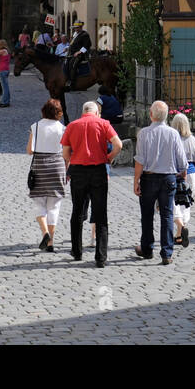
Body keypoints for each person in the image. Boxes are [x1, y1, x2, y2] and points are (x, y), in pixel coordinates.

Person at [60, 100, 122, 267]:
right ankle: (101, 257)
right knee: (101, 213)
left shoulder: (72, 125)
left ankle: (77, 251)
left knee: (77, 211)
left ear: (83, 112)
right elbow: (118, 144)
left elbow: (65, 152)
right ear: (96, 113)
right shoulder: (103, 123)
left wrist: (73, 160)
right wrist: (108, 158)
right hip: (98, 170)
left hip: (78, 171)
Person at [133, 100, 188, 265]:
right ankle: (166, 253)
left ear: (151, 114)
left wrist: (136, 180)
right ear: (166, 116)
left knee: (147, 215)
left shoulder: (143, 133)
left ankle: (147, 249)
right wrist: (182, 175)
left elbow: (140, 160)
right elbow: (182, 161)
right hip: (168, 178)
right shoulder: (173, 134)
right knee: (167, 215)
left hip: (149, 177)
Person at [27, 99, 67, 251]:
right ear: (59, 112)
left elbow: (30, 150)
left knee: (39, 204)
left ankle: (44, 233)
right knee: (54, 206)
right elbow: (66, 151)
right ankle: (51, 241)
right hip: (57, 166)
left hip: (40, 167)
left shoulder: (35, 126)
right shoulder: (63, 128)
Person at [170, 113, 195, 247]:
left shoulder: (172, 138)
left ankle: (180, 227)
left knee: (174, 201)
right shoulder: (191, 139)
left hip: (175, 173)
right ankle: (179, 234)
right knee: (187, 201)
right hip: (191, 172)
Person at [64, 21, 92, 89]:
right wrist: (67, 48)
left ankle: (72, 83)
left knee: (72, 64)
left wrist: (79, 52)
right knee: (66, 62)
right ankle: (66, 79)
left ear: (80, 27)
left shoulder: (85, 35)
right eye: (75, 28)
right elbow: (72, 44)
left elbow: (87, 45)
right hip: (72, 53)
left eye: (77, 28)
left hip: (81, 54)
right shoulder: (75, 34)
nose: (75, 29)